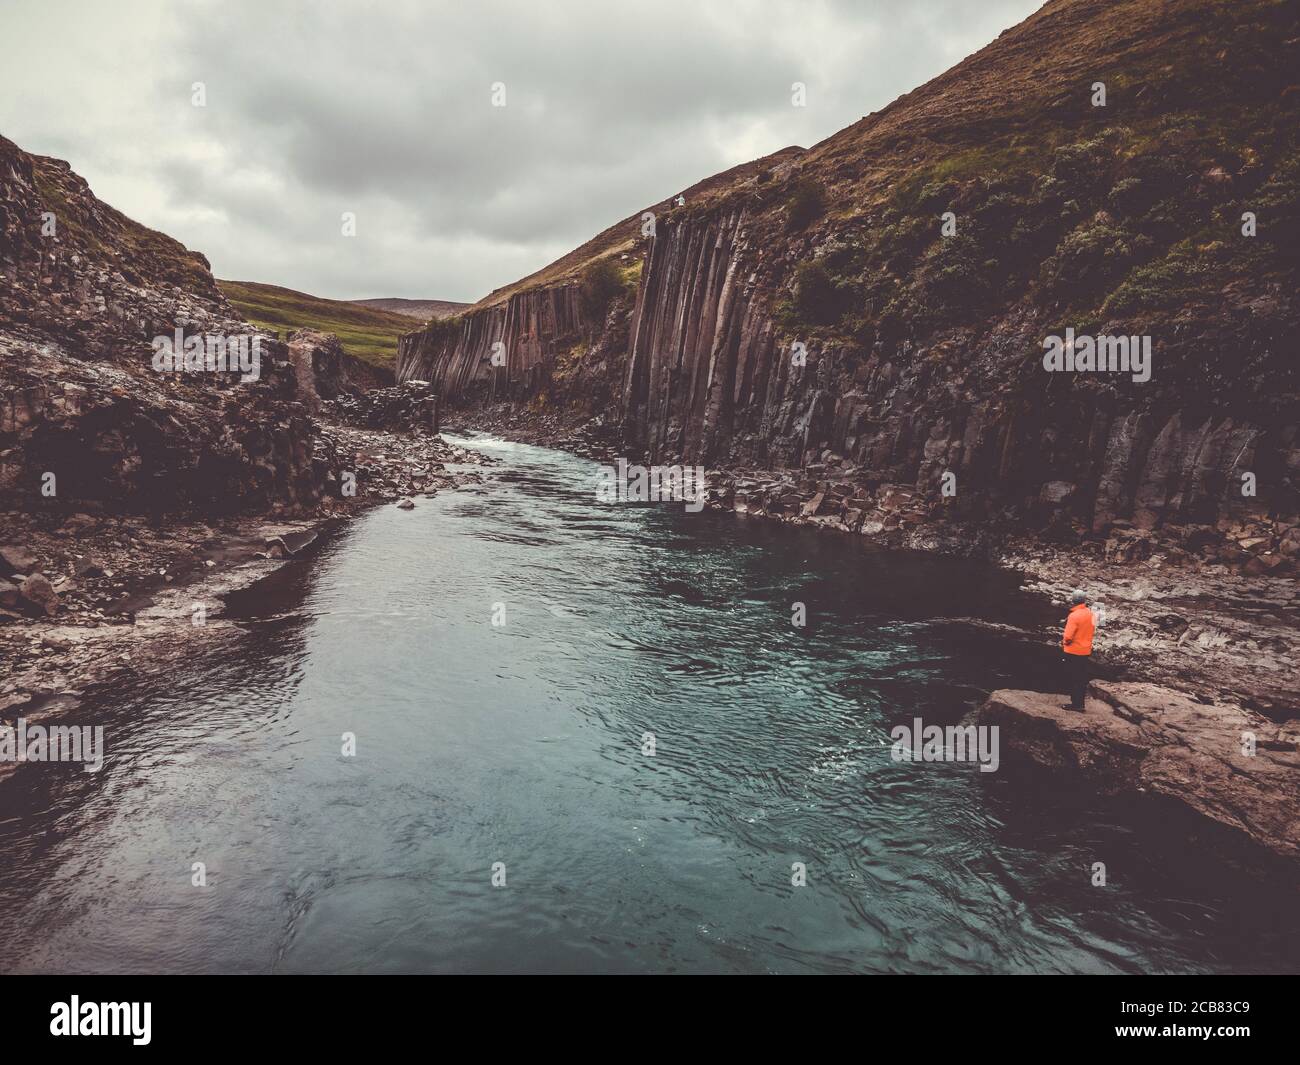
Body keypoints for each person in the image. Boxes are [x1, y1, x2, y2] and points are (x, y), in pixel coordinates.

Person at [1061, 591, 1095, 711]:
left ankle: (1076, 705)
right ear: (1084, 600)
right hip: (1085, 651)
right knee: (1080, 678)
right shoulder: (1091, 613)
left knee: (1073, 678)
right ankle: (1080, 703)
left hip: (1073, 651)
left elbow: (1068, 636)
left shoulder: (1074, 615)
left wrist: (1065, 643)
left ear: (1073, 600)